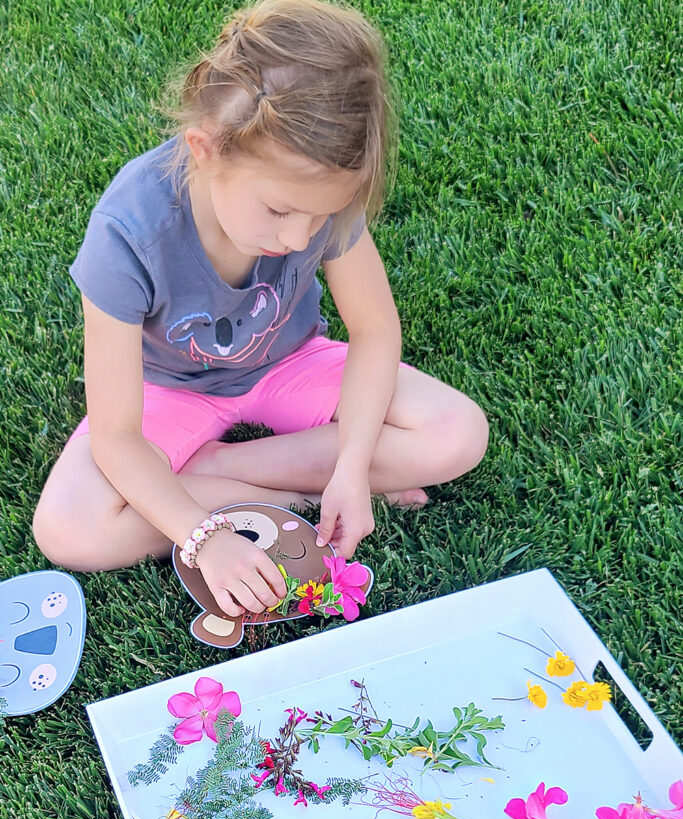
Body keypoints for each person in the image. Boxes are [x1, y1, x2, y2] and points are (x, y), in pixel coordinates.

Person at [33, 0, 488, 620]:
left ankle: (224, 469)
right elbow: (115, 435)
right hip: (170, 391)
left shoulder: (317, 189)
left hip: (290, 361)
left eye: (321, 216)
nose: (301, 239)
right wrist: (203, 535)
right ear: (206, 149)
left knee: (458, 433)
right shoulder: (128, 232)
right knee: (68, 530)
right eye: (279, 212)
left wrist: (352, 467)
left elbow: (375, 330)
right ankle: (286, 485)